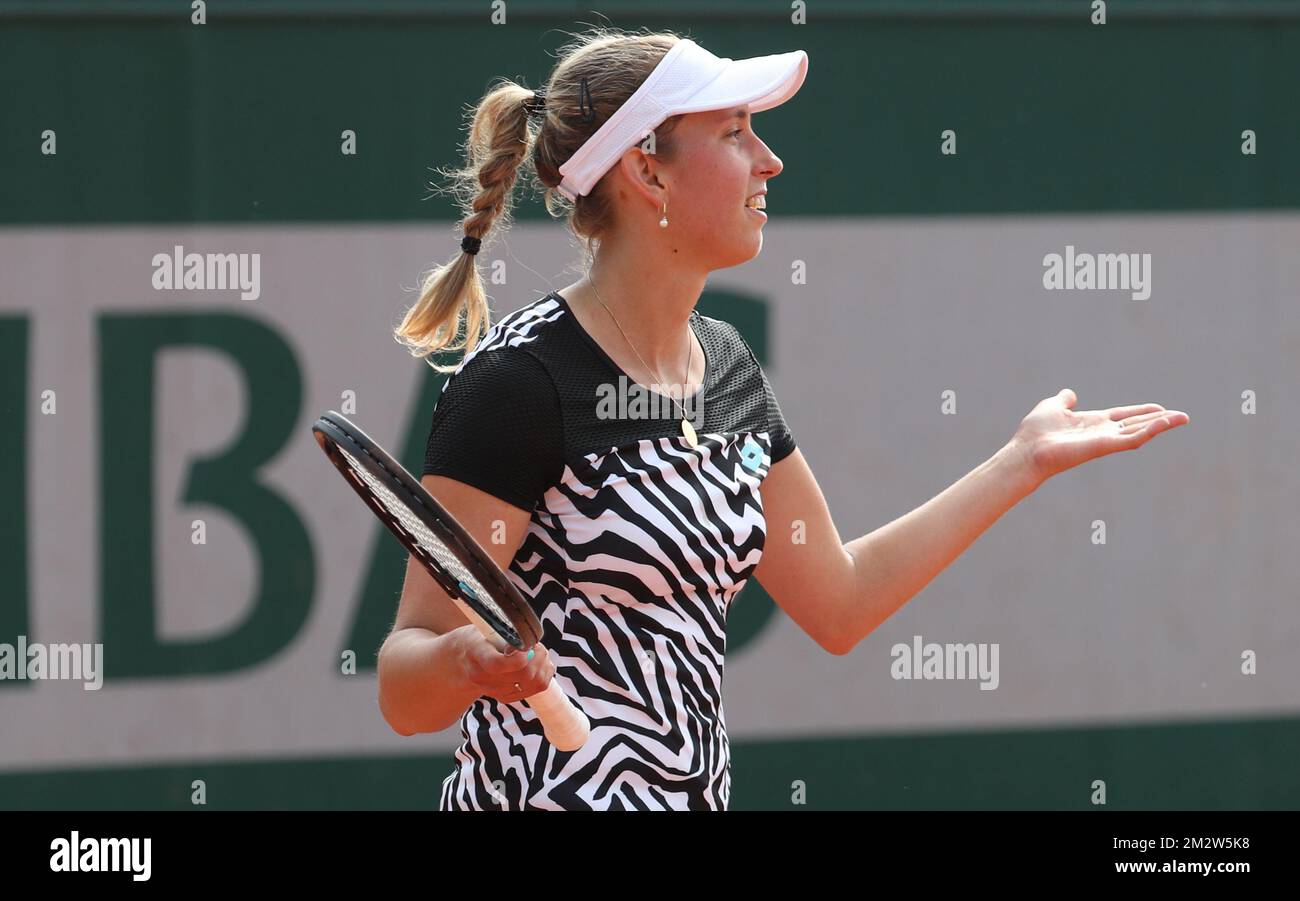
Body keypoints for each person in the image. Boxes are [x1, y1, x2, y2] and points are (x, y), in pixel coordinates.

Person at [376, 27, 1189, 811]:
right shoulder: (519, 385)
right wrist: (464, 660)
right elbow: (404, 685)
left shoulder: (726, 364)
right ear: (646, 174)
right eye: (734, 134)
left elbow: (840, 601)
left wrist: (1022, 460)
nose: (770, 160)